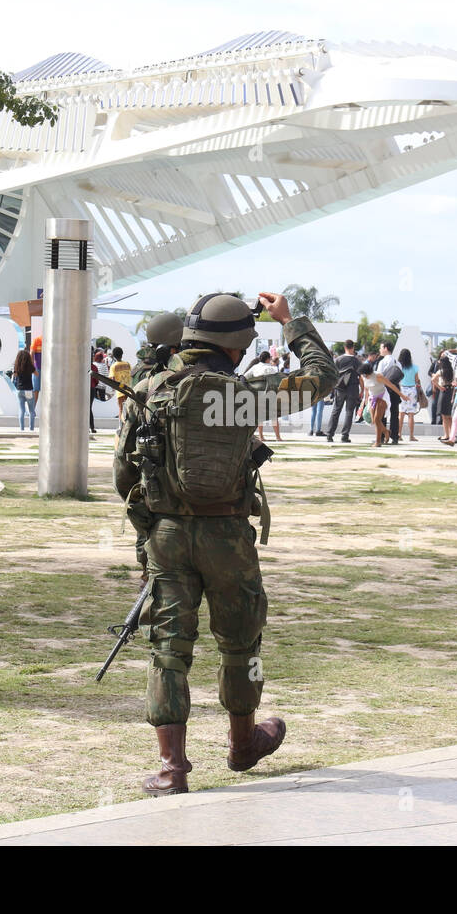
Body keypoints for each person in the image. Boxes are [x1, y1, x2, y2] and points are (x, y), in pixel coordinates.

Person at [114, 290, 335, 795]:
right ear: (236, 345)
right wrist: (290, 322)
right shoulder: (247, 393)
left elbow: (123, 474)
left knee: (168, 647)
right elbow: (323, 376)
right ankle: (242, 744)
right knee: (240, 641)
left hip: (167, 536)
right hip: (229, 537)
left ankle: (172, 769)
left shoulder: (148, 389)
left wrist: (149, 534)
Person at [325, 340, 363, 443]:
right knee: (349, 412)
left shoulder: (338, 359)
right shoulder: (357, 361)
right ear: (353, 347)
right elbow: (361, 377)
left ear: (344, 347)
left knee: (336, 410)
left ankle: (329, 434)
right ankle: (344, 436)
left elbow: (333, 375)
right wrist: (362, 390)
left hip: (340, 388)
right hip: (353, 388)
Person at [244, 351, 283, 442]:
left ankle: (261, 436)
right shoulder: (272, 368)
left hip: (257, 394)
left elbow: (245, 377)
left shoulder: (255, 367)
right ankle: (278, 437)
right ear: (268, 359)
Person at [396, 348, 422, 442]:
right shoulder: (415, 367)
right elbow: (417, 380)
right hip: (412, 390)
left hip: (402, 390)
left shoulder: (399, 367)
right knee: (411, 414)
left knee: (401, 414)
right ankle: (411, 436)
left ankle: (399, 434)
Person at [12, 346, 37, 431]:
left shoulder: (17, 367)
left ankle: (22, 429)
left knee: (21, 410)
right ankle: (31, 429)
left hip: (20, 390)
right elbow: (37, 374)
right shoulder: (30, 366)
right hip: (29, 390)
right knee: (31, 411)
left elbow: (15, 375)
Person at [110, 346, 133, 420]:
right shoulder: (127, 364)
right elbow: (132, 375)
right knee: (130, 410)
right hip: (129, 390)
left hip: (120, 391)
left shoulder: (113, 366)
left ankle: (121, 425)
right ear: (122, 354)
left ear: (113, 355)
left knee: (121, 409)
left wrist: (113, 388)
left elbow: (113, 379)